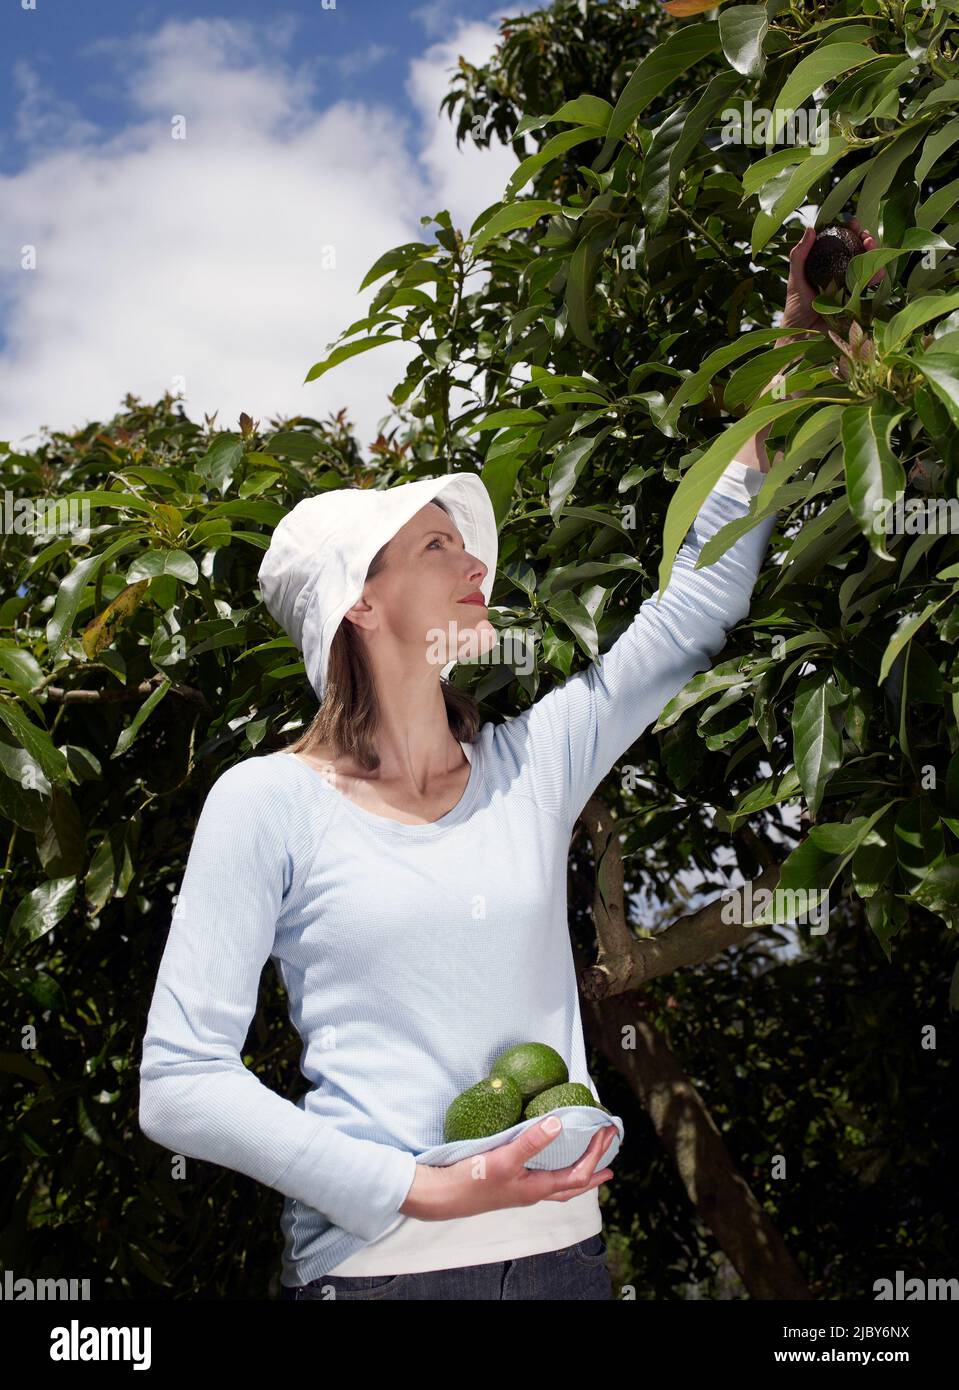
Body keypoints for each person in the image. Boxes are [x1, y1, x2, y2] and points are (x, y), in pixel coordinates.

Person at [138, 219, 879, 1301]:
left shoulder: (530, 769)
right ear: (362, 602)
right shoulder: (267, 803)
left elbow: (689, 614)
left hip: (561, 1261)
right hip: (381, 1276)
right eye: (437, 543)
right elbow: (179, 1081)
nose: (473, 561)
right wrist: (415, 1190)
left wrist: (789, 358)